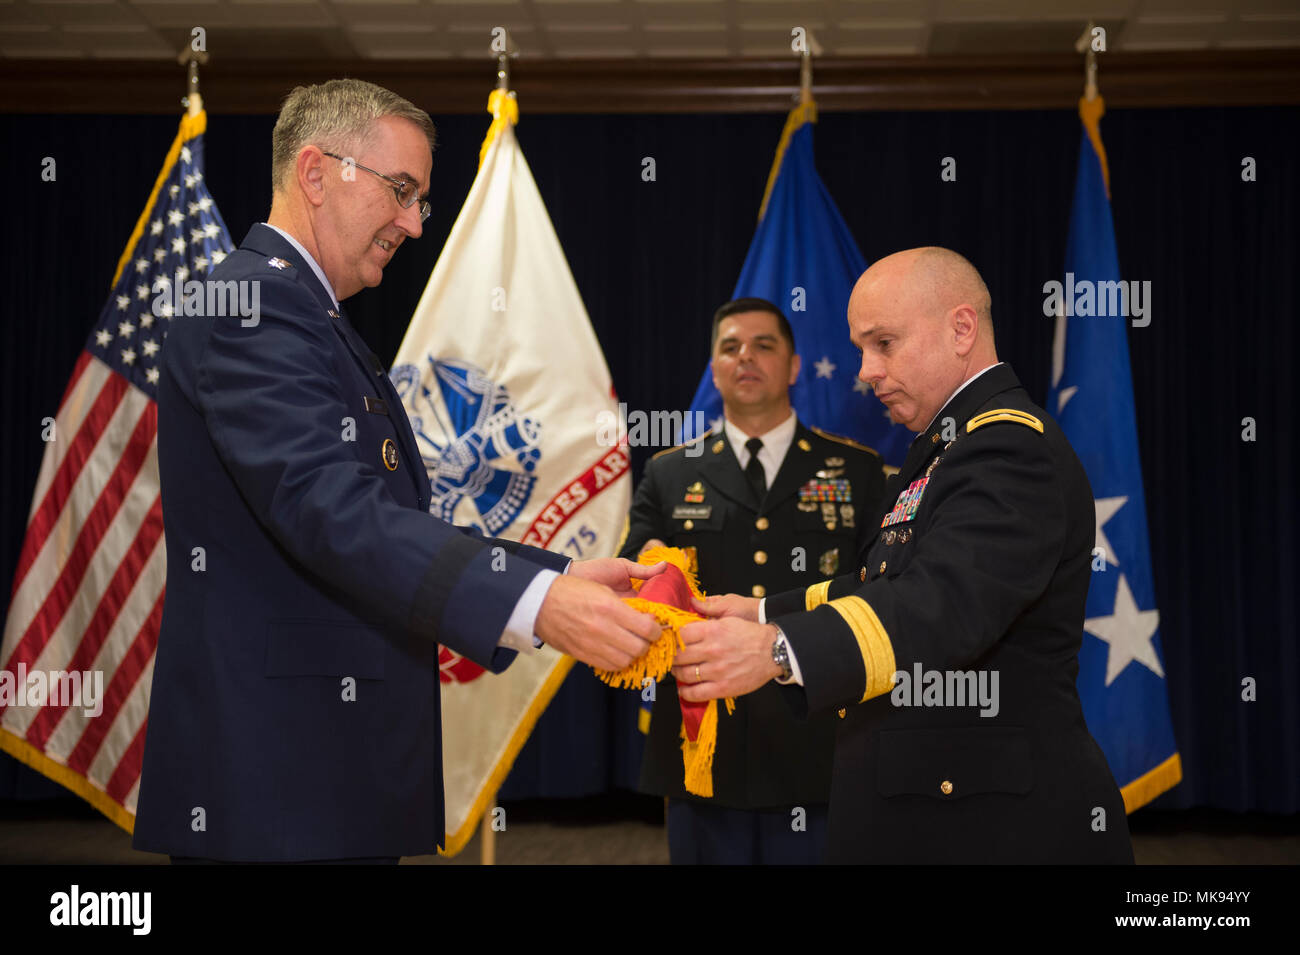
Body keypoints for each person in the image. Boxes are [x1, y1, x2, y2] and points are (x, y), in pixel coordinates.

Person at [132, 79, 661, 863]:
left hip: (319, 779)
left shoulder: (309, 317)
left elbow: (386, 521)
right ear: (316, 173)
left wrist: (560, 575)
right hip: (277, 792)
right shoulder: (252, 309)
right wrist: (539, 604)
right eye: (401, 191)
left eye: (421, 200)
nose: (414, 224)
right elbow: (332, 513)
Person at [673, 248, 1135, 864]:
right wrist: (758, 616)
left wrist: (777, 651)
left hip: (988, 825)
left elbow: (939, 607)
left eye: (884, 343)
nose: (866, 371)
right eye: (861, 348)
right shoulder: (948, 446)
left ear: (962, 329)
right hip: (933, 803)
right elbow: (879, 584)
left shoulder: (1008, 449)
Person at [621, 298, 886, 864]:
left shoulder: (859, 472)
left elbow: (880, 588)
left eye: (765, 345)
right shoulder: (670, 474)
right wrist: (653, 567)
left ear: (793, 366)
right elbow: (632, 569)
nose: (747, 357)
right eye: (731, 347)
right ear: (714, 369)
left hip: (819, 738)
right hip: (706, 738)